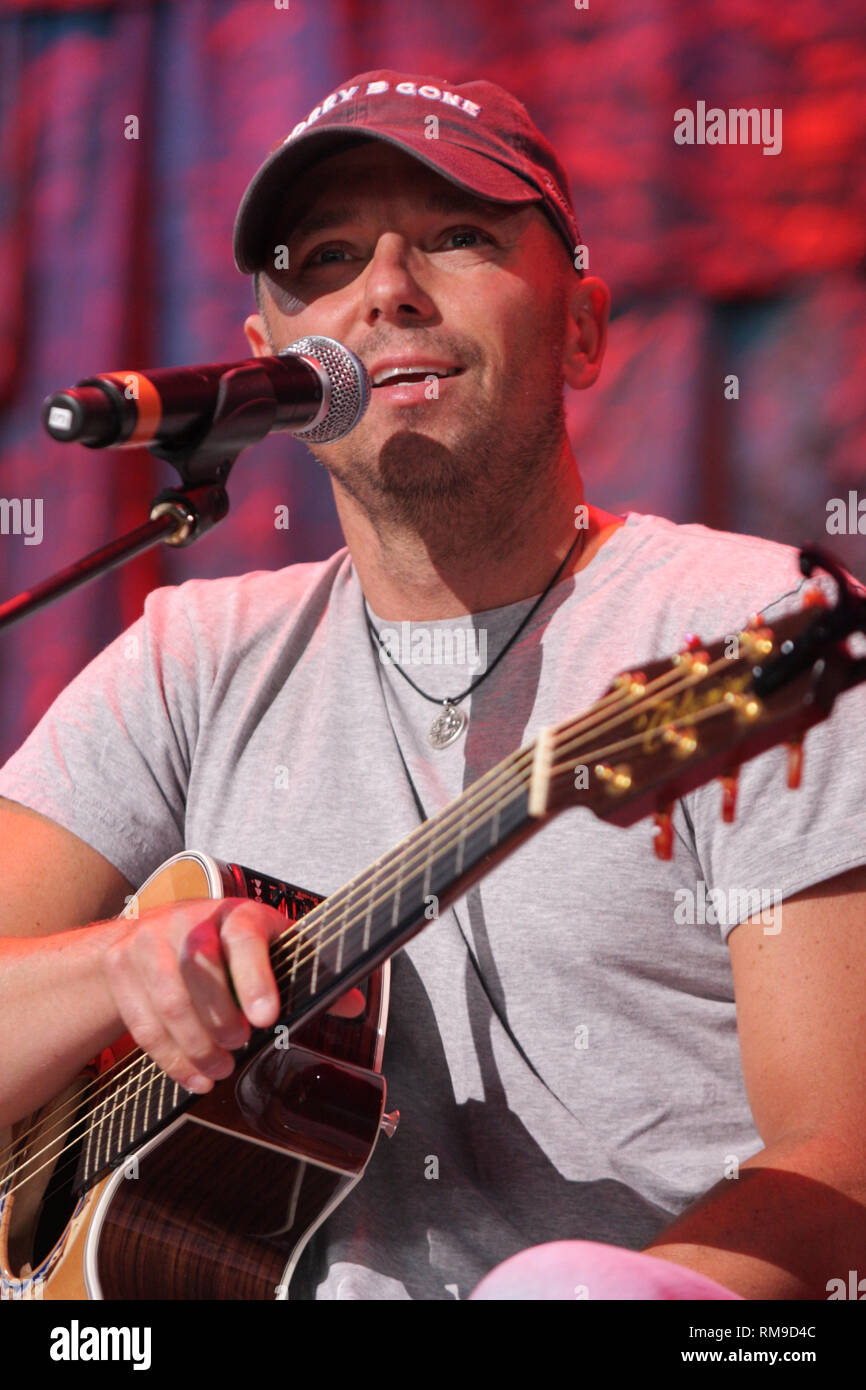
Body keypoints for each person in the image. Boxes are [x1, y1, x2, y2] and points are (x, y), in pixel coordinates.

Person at [1, 69, 865, 1302]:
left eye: (457, 237)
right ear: (269, 367)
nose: (388, 290)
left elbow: (844, 1158)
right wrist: (119, 966)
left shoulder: (747, 628)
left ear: (579, 325)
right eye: (331, 257)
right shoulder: (192, 655)